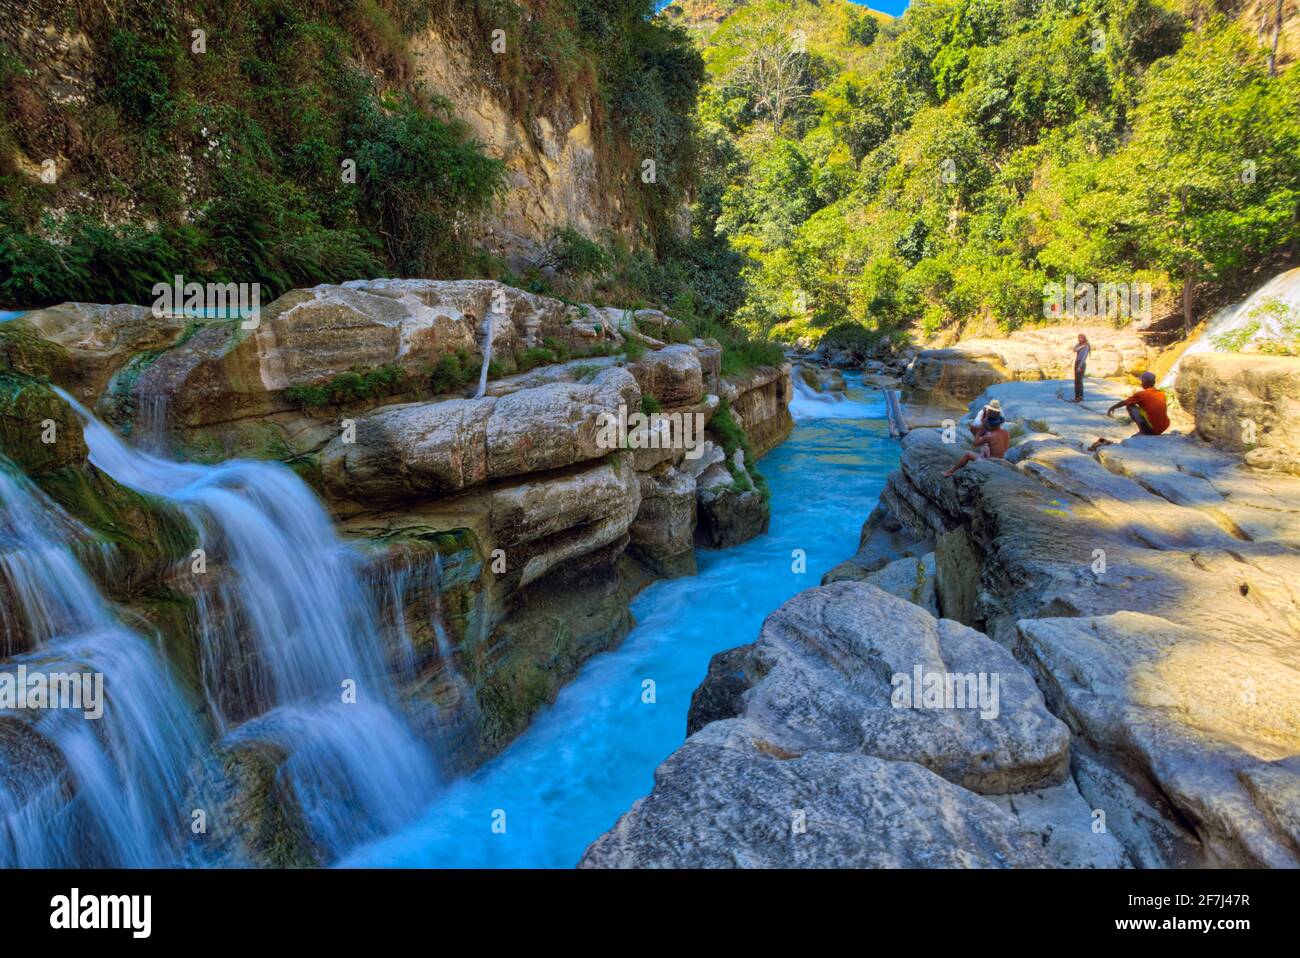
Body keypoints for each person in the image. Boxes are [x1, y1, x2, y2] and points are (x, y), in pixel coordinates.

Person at [944, 411, 1009, 476]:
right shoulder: (1005, 432)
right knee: (985, 447)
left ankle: (951, 471)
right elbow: (1005, 449)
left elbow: (975, 444)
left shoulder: (989, 436)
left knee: (968, 454)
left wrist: (981, 429)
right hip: (1000, 460)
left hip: (991, 463)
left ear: (991, 425)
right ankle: (956, 467)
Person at [1070, 334, 1090, 402]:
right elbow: (1074, 350)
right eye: (1078, 338)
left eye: (1081, 338)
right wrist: (1081, 346)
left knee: (1079, 381)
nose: (1079, 339)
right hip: (1076, 362)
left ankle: (1080, 397)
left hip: (1081, 363)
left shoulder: (1087, 345)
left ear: (1084, 338)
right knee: (1076, 381)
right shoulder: (1079, 344)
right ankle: (1076, 397)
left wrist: (1080, 366)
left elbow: (1084, 357)